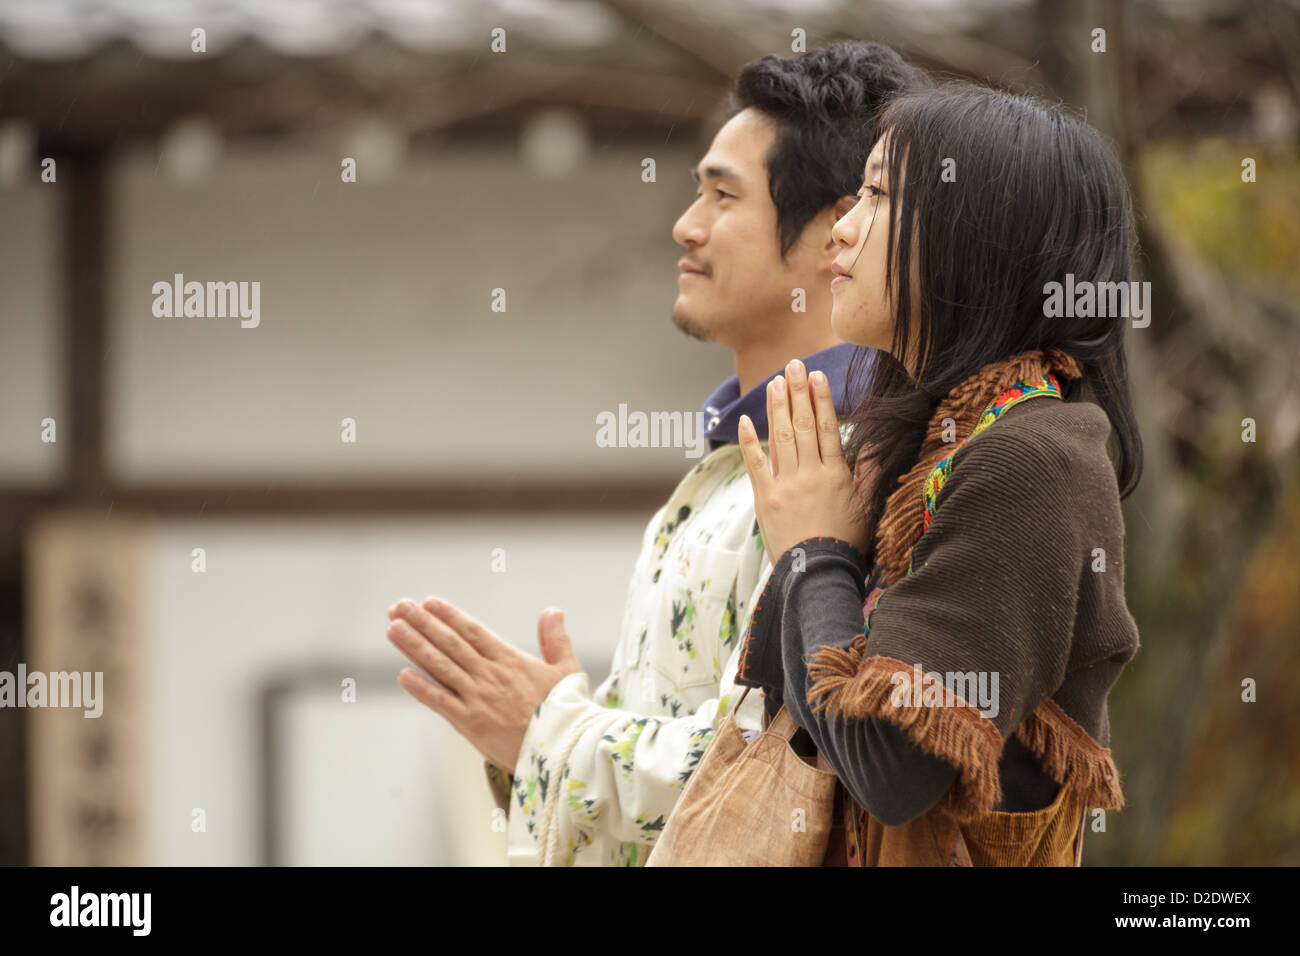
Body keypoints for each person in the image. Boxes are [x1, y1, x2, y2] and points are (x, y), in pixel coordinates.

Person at [383, 43, 932, 864]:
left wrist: (549, 730)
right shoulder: (733, 464)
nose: (687, 224)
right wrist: (543, 729)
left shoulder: (852, 471)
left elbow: (788, 773)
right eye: (695, 190)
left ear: (838, 230)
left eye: (722, 195)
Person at [734, 83, 1144, 866]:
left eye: (879, 195)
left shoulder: (1033, 457)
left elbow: (893, 768)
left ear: (977, 235)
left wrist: (814, 548)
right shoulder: (924, 452)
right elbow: (809, 728)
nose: (841, 229)